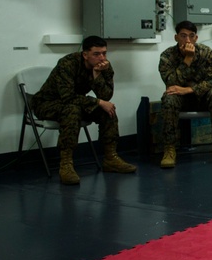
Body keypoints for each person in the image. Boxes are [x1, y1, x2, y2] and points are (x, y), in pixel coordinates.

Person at [31, 35, 137, 185]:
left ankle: (110, 158)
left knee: (108, 110)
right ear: (85, 55)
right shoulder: (67, 64)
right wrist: (98, 102)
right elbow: (67, 97)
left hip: (75, 103)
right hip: (47, 103)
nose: (102, 58)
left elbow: (106, 96)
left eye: (104, 53)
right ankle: (66, 164)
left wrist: (97, 76)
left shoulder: (104, 66)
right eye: (96, 54)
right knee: (72, 110)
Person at [158, 20, 212, 168]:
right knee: (168, 99)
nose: (188, 40)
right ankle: (169, 149)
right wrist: (188, 59)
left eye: (191, 36)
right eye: (183, 36)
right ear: (176, 37)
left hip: (202, 97)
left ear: (196, 38)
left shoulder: (206, 53)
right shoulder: (167, 56)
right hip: (180, 99)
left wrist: (190, 89)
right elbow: (171, 83)